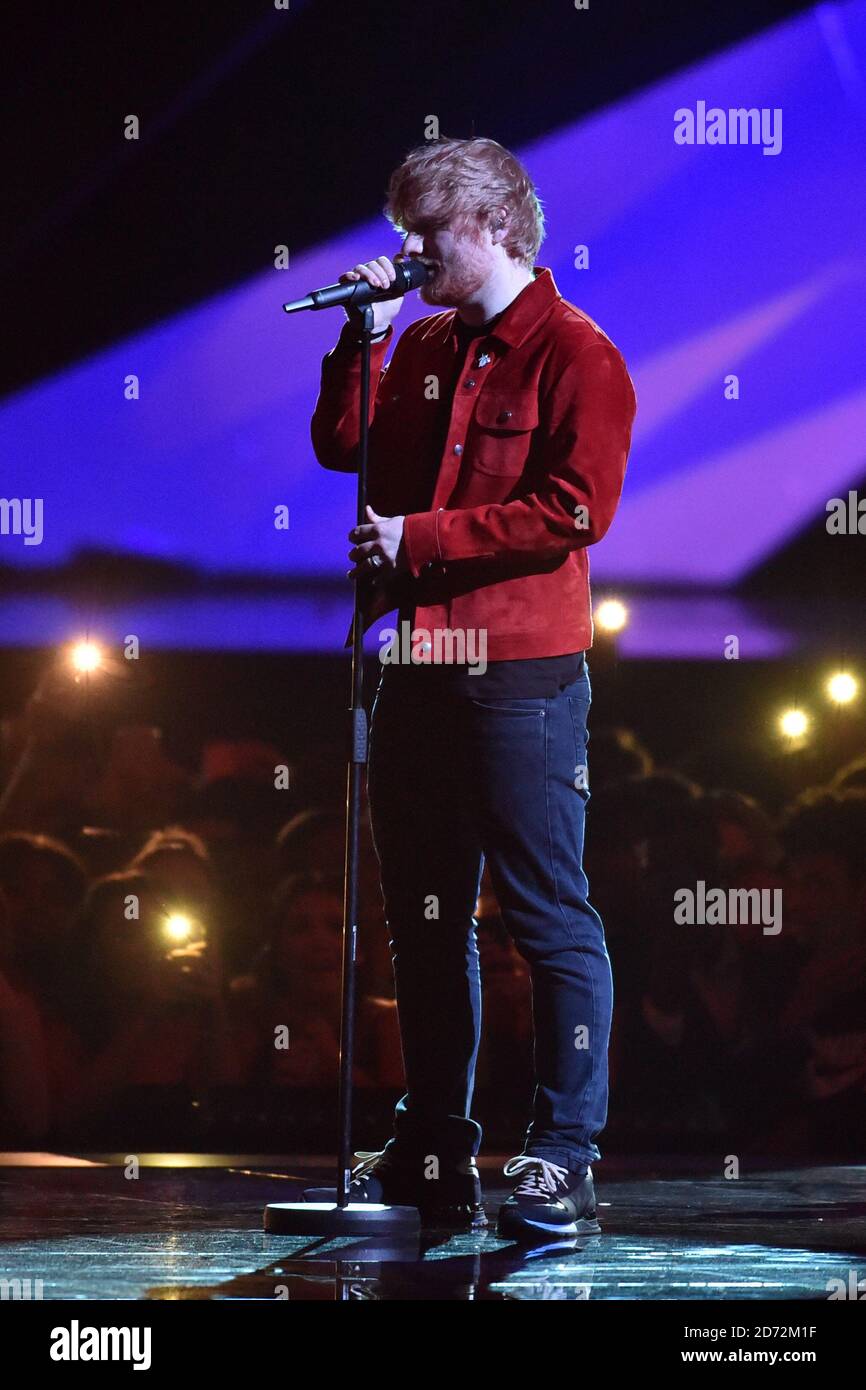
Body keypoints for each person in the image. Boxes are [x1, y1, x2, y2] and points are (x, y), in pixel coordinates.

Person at [309, 136, 637, 1237]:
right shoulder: (425, 343)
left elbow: (576, 509)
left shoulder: (577, 354)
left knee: (545, 911)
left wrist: (422, 541)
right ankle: (432, 1136)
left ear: (493, 227)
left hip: (519, 669)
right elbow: (342, 447)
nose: (407, 251)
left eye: (427, 233)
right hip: (417, 661)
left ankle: (561, 1149)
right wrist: (364, 336)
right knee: (426, 915)